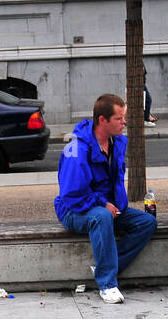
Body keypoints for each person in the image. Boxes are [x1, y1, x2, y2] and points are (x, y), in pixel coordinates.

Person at [54, 93, 157, 304]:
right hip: (74, 210)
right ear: (103, 120)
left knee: (147, 222)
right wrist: (102, 204)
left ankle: (104, 265)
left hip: (108, 208)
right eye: (119, 119)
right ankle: (107, 284)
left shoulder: (118, 142)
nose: (124, 123)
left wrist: (117, 205)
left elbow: (116, 180)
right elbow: (72, 193)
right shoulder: (76, 149)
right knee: (101, 217)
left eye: (124, 117)